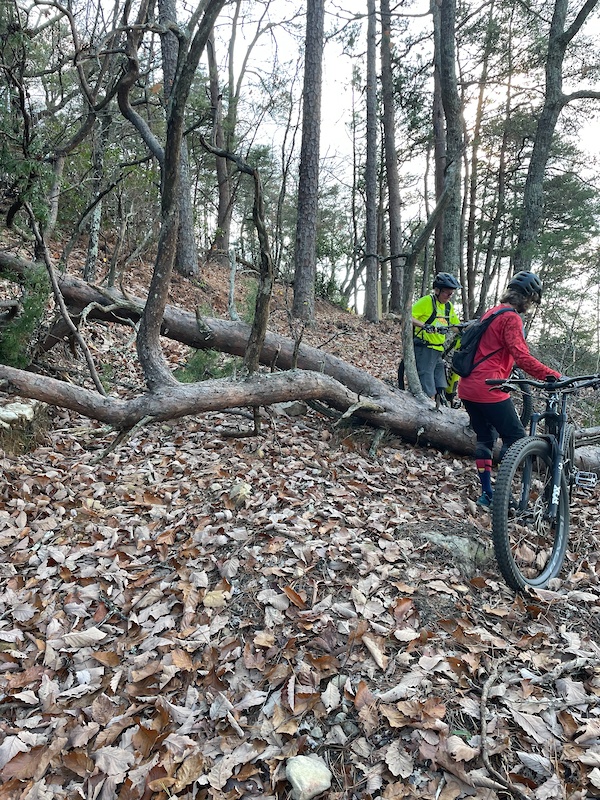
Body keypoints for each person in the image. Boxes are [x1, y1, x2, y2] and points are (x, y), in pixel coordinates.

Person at [458, 271, 561, 508]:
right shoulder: (511, 318)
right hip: (489, 388)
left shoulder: (492, 312)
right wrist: (554, 376)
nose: (531, 307)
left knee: (485, 439)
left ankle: (487, 493)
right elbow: (522, 357)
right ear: (526, 298)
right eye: (532, 302)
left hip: (467, 388)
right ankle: (504, 494)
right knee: (516, 440)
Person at [411, 272, 462, 400]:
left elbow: (455, 326)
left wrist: (466, 328)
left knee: (441, 386)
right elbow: (407, 316)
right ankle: (427, 411)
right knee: (428, 388)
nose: (450, 296)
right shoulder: (427, 301)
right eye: (447, 293)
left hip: (438, 350)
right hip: (424, 348)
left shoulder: (448, 306)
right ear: (437, 290)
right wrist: (423, 325)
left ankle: (440, 408)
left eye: (452, 293)